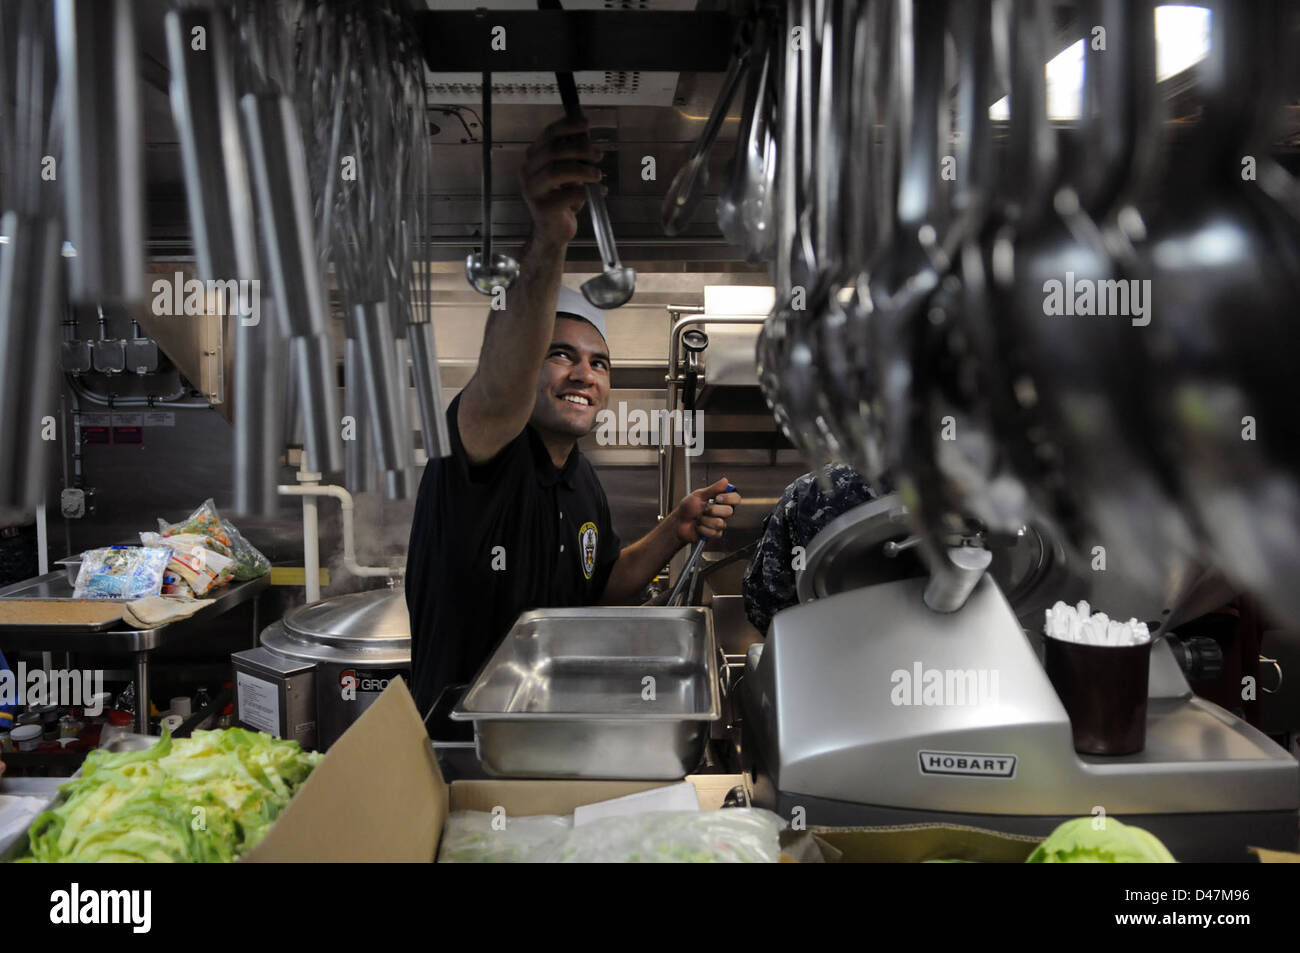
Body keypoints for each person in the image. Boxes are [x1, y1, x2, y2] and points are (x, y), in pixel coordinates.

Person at [406, 115, 742, 720]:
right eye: (559, 355)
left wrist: (674, 528)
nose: (584, 374)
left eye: (599, 363)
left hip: (550, 737)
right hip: (459, 747)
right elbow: (502, 382)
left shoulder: (581, 481)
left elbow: (602, 584)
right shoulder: (484, 446)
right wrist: (550, 237)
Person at [742, 463, 882, 635]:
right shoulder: (922, 491)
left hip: (828, 650)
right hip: (917, 652)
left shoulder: (809, 491)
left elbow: (765, 605)